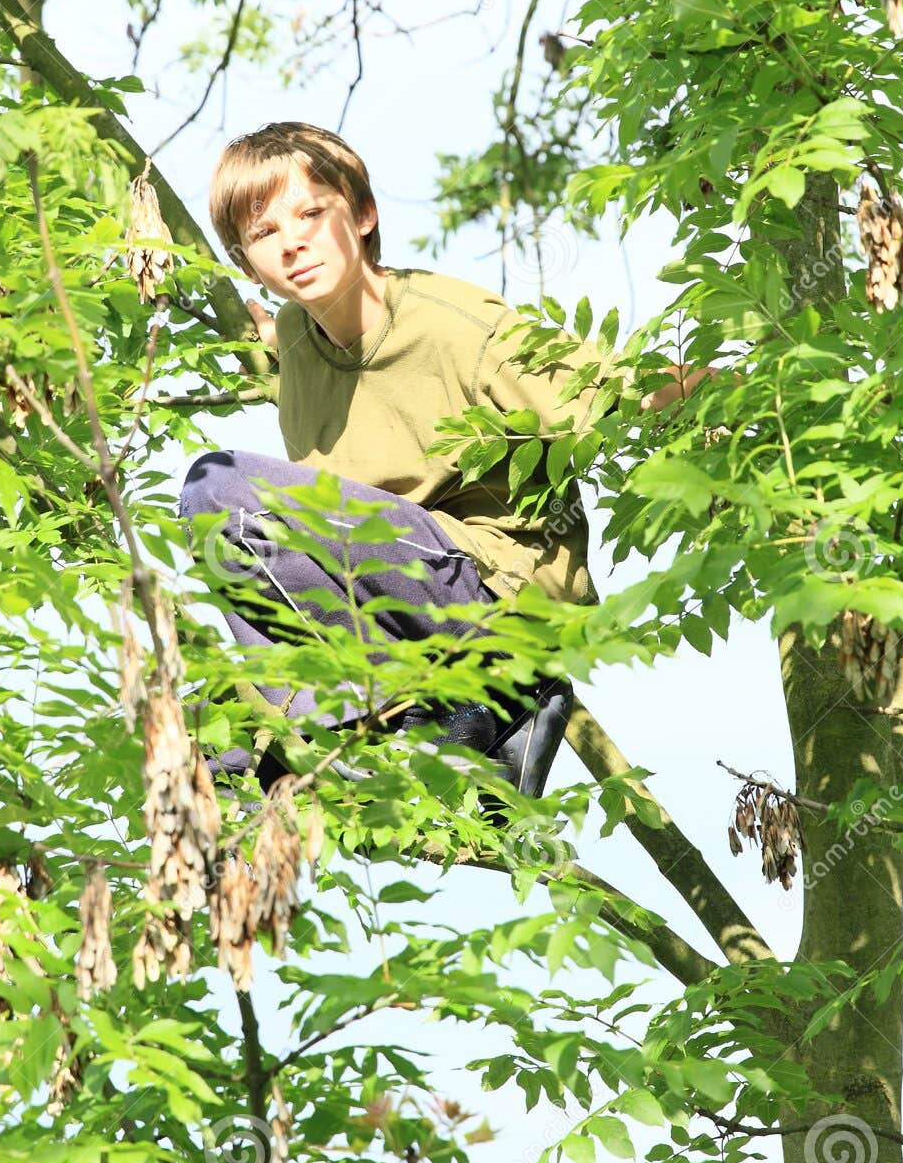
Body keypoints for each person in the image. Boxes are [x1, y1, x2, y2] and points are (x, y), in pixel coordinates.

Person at [179, 121, 712, 801]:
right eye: (263, 234)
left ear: (363, 214)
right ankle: (463, 750)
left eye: (312, 213)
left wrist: (756, 394)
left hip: (493, 586)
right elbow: (308, 355)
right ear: (246, 260)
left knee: (217, 488)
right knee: (209, 747)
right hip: (393, 600)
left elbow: (615, 392)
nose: (293, 241)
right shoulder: (296, 336)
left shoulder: (454, 324)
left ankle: (387, 720)